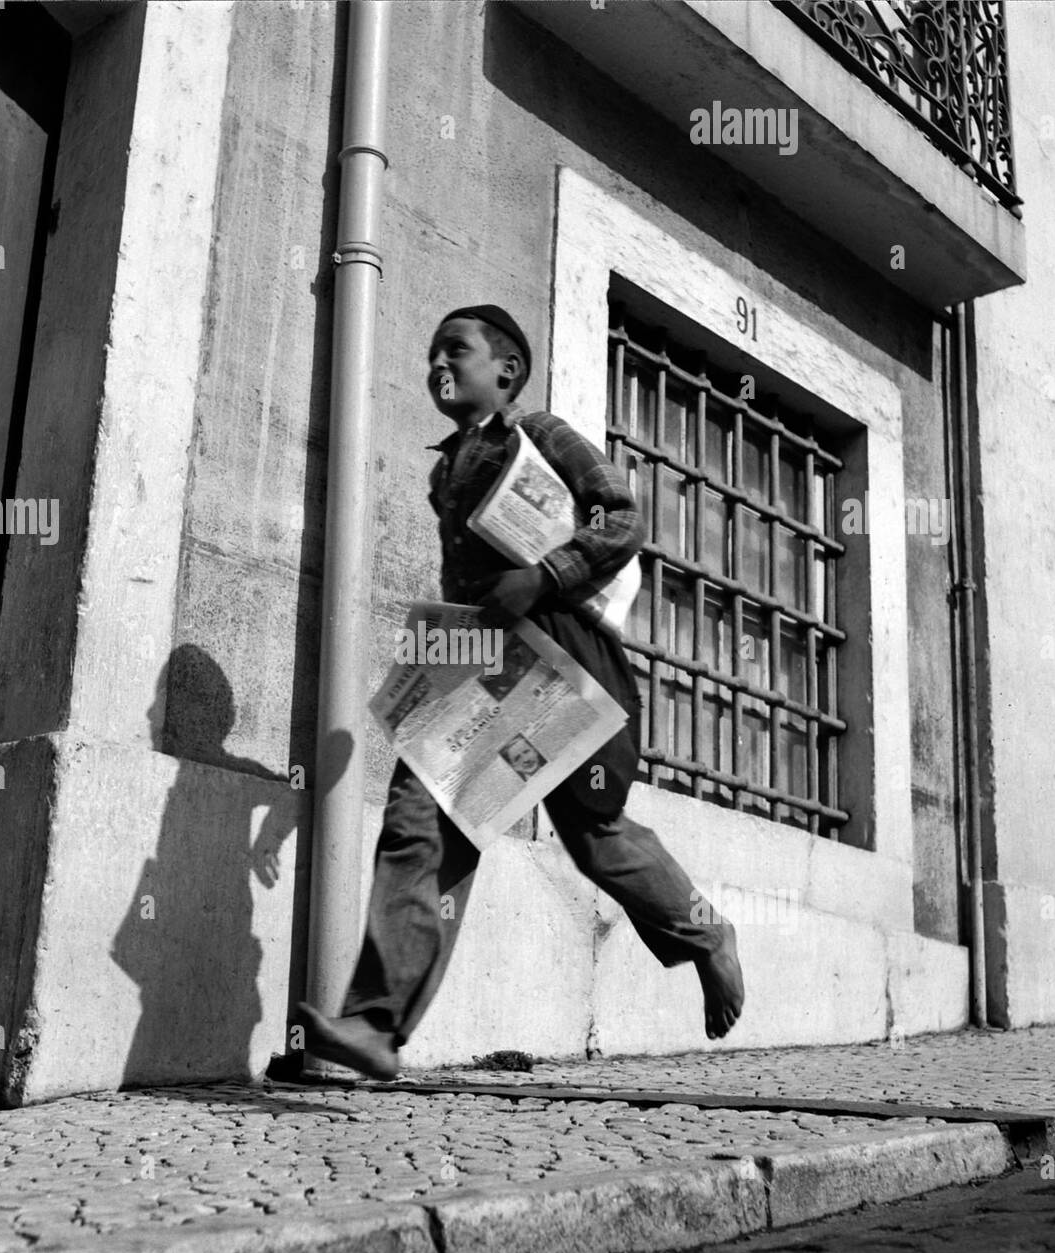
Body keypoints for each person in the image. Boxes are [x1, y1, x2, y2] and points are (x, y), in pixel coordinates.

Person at [296, 305, 744, 1080]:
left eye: (455, 350)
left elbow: (621, 520)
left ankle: (704, 933)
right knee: (418, 824)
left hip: (560, 655)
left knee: (594, 835)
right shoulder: (443, 467)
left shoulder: (543, 433)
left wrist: (544, 577)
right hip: (472, 661)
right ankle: (373, 1026)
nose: (438, 362)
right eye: (431, 351)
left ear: (505, 370)